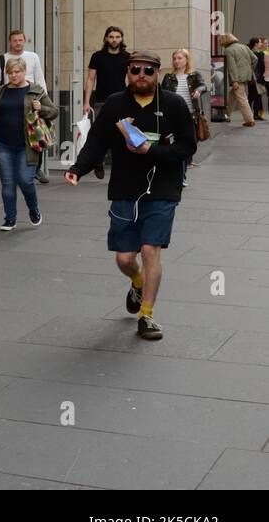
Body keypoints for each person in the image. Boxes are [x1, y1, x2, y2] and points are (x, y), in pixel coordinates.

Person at [66, 49, 197, 342]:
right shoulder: (115, 104)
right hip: (125, 187)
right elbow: (97, 141)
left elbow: (189, 146)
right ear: (128, 72)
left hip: (163, 187)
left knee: (150, 250)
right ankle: (136, 281)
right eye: (136, 70)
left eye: (148, 71)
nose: (141, 75)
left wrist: (154, 151)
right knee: (125, 259)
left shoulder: (173, 104)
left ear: (157, 74)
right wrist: (78, 168)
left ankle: (147, 315)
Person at [0, 57, 57, 231]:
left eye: (17, 72)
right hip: (3, 143)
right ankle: (10, 219)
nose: (13, 75)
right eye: (10, 72)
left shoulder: (36, 91)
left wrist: (41, 108)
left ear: (24, 72)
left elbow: (53, 112)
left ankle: (33, 209)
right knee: (7, 183)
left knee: (25, 180)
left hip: (27, 144)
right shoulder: (0, 92)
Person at [0, 30, 49, 183]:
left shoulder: (33, 57)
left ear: (25, 41)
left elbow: (40, 79)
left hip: (30, 98)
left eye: (20, 40)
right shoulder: (2, 59)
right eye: (14, 40)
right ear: (10, 42)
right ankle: (16, 169)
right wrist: (0, 97)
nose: (17, 43)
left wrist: (42, 100)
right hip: (9, 97)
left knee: (35, 133)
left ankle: (36, 168)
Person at [84, 26, 130, 178]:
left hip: (122, 101)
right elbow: (90, 79)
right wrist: (86, 102)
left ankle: (121, 166)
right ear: (106, 39)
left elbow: (130, 80)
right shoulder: (97, 56)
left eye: (117, 37)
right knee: (101, 133)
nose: (114, 39)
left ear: (121, 39)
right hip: (101, 101)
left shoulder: (127, 57)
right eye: (111, 37)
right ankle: (98, 161)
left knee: (122, 134)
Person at [160, 49, 206, 186]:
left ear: (186, 59)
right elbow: (162, 93)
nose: (176, 61)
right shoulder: (168, 76)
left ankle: (182, 175)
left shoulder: (194, 75)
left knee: (187, 147)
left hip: (191, 116)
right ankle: (175, 174)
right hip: (172, 115)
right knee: (172, 147)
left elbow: (203, 85)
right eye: (174, 58)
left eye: (179, 58)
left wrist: (199, 90)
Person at [219, 33, 256, 127]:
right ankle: (226, 115)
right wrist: (249, 70)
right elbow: (255, 59)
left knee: (242, 98)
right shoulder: (244, 47)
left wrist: (234, 80)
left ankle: (249, 120)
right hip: (245, 76)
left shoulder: (228, 50)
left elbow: (232, 67)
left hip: (237, 78)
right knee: (232, 97)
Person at [253, 38, 268, 120]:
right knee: (256, 96)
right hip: (259, 77)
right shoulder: (260, 54)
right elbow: (262, 65)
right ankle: (256, 114)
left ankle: (256, 113)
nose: (265, 44)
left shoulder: (255, 53)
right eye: (261, 43)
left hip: (256, 77)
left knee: (255, 96)